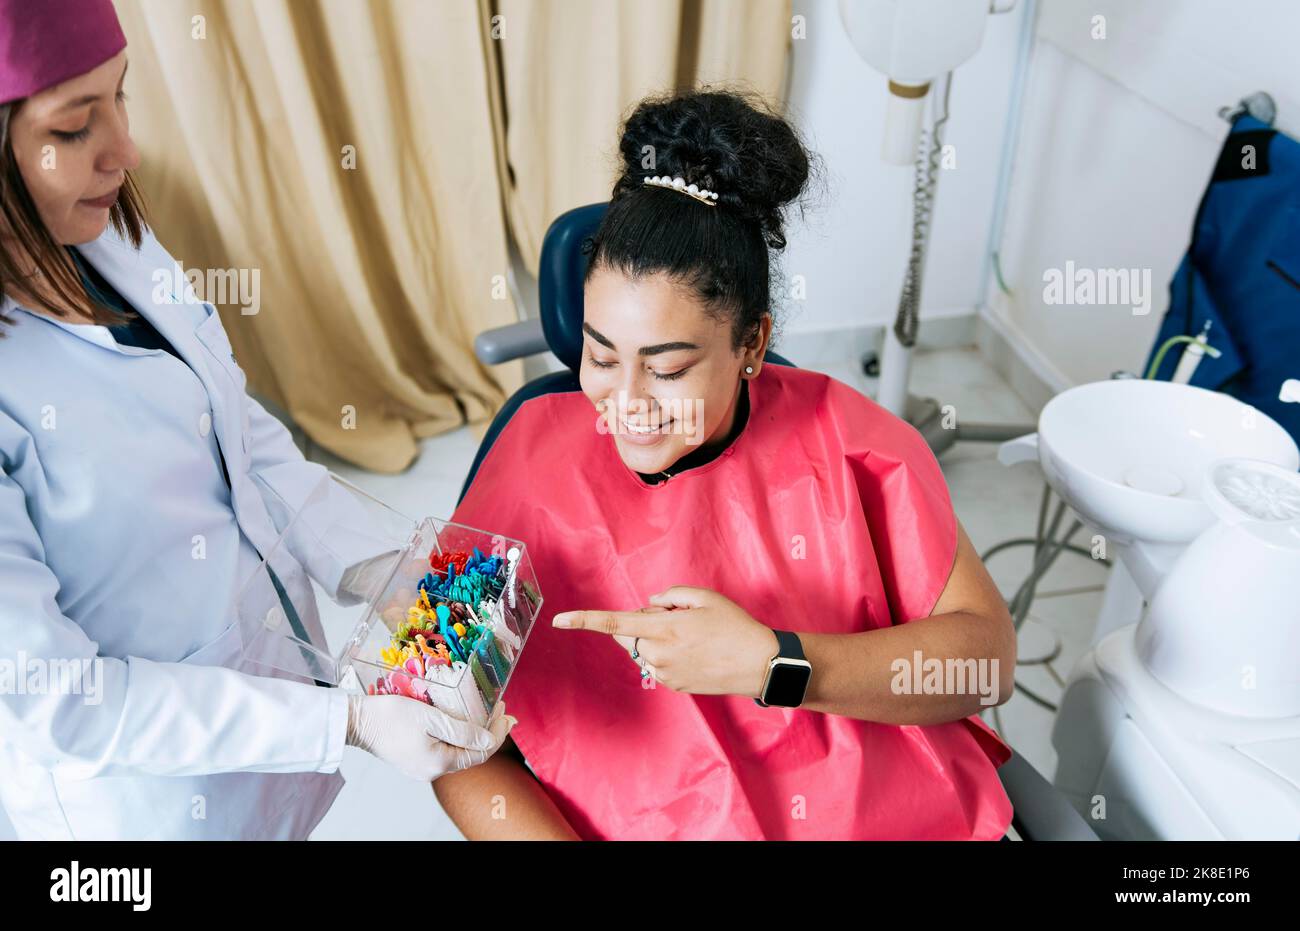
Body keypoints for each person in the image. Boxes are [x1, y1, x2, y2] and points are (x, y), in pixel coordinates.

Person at [438, 89, 1018, 840]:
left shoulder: (853, 442)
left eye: (668, 368)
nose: (626, 402)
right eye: (600, 354)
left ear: (751, 344)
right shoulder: (528, 458)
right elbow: (442, 718)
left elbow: (983, 666)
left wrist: (776, 664)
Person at [0, 0, 511, 841]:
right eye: (73, 129)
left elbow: (235, 432)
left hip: (267, 733)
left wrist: (387, 567)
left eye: (121, 97)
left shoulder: (106, 239)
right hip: (147, 807)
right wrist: (340, 723)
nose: (123, 152)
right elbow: (61, 701)